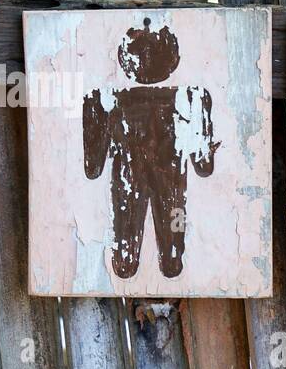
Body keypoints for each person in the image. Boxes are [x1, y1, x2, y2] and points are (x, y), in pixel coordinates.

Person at [83, 19, 218, 279]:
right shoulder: (193, 98)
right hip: (172, 180)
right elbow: (204, 165)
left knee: (126, 242)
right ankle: (167, 260)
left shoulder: (105, 101)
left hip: (128, 179)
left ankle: (131, 260)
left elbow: (93, 167)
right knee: (173, 240)